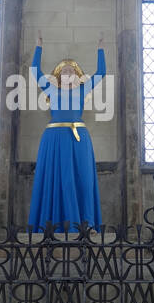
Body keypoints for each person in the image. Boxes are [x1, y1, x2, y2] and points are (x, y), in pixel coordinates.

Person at [28, 32, 106, 232]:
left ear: (77, 75)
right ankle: (53, 226)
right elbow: (35, 71)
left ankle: (84, 225)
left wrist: (100, 49)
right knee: (59, 181)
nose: (68, 73)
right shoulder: (51, 90)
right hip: (54, 138)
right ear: (59, 75)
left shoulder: (82, 90)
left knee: (83, 180)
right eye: (64, 71)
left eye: (72, 71)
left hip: (78, 138)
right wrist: (38, 47)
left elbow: (101, 72)